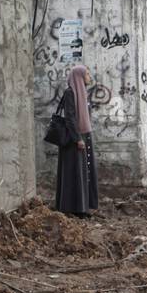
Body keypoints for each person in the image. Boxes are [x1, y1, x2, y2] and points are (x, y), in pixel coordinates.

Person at [55, 64, 99, 217]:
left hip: (84, 135)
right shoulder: (70, 93)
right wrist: (77, 138)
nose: (89, 77)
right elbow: (70, 119)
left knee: (84, 173)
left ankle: (83, 207)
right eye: (87, 74)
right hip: (74, 140)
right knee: (74, 173)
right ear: (79, 76)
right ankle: (74, 208)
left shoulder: (82, 92)